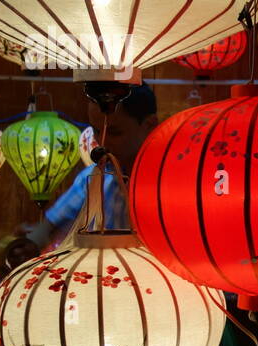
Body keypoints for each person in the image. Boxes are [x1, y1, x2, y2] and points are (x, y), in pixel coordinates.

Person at [20, 85, 158, 250]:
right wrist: (27, 244)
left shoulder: (170, 185)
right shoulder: (95, 178)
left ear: (149, 125)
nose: (102, 142)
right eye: (96, 130)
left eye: (114, 132)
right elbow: (49, 228)